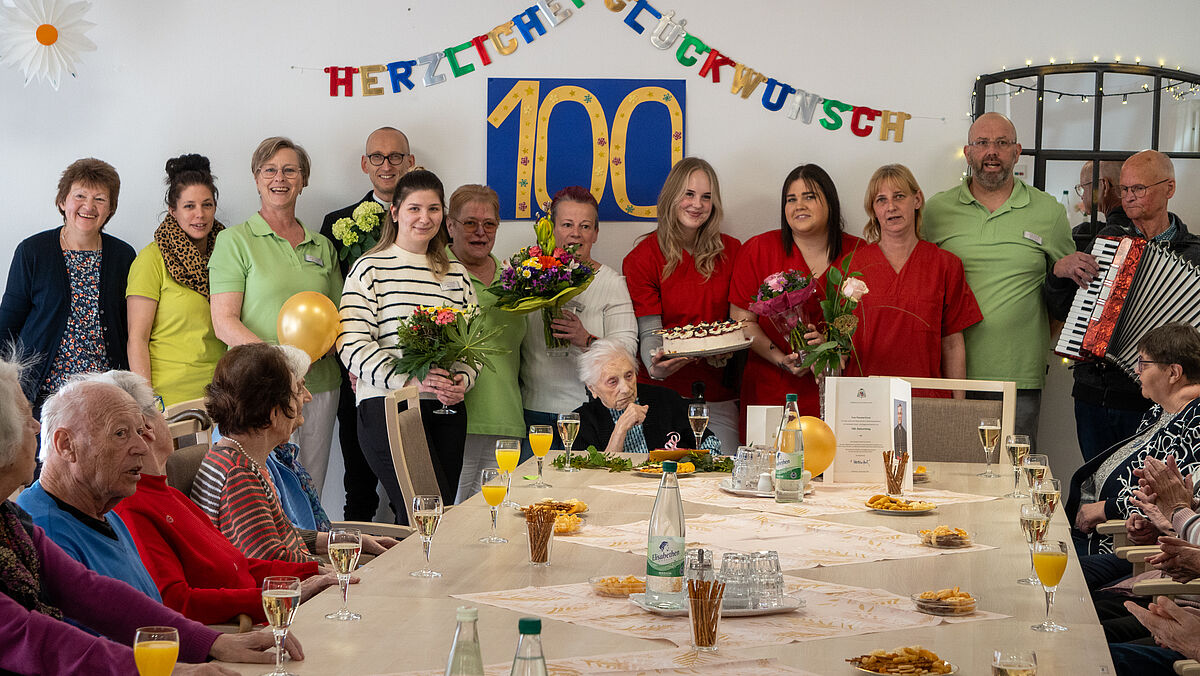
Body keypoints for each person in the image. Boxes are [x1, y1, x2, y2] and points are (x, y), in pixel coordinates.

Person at [0, 357, 306, 676]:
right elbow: (34, 639)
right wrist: (168, 671)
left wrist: (213, 642)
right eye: (24, 416)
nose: (36, 426)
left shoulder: (10, 520)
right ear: (66, 445)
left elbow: (94, 593)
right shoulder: (42, 520)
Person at [94, 370, 343, 625]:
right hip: (249, 627)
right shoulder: (132, 506)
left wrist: (312, 573)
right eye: (159, 409)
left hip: (266, 610)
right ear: (146, 429)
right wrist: (282, 595)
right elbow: (177, 602)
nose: (163, 418)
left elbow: (238, 565)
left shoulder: (168, 494)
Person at [923, 112, 1074, 450]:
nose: (991, 151)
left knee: (1014, 478)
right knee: (950, 476)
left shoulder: (1048, 212)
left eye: (1001, 143)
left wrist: (1030, 333)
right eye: (982, 143)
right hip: (948, 373)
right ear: (967, 152)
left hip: (1018, 376)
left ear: (1017, 151)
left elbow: (1065, 294)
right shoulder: (936, 211)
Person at [208, 137, 342, 497]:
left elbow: (337, 318)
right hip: (257, 387)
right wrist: (281, 364)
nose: (279, 178)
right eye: (270, 170)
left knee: (308, 486)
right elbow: (224, 322)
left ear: (303, 179)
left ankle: (307, 552)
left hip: (319, 387)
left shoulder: (322, 246)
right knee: (260, 490)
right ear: (256, 178)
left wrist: (323, 349)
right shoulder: (235, 241)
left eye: (289, 170)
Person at [1047, 151, 1200, 462]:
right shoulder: (1107, 241)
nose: (1128, 198)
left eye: (1138, 189)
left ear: (1168, 189)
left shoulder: (1193, 253)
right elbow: (1067, 310)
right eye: (1125, 189)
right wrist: (1059, 274)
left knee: (1146, 492)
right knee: (1095, 483)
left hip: (1160, 403)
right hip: (1096, 395)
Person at [338, 170, 478, 512]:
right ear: (395, 212)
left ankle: (421, 568)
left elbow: (471, 345)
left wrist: (463, 380)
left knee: (438, 510)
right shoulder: (369, 268)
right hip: (390, 406)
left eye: (433, 209)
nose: (424, 218)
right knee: (423, 510)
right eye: (414, 208)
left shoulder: (456, 273)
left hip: (446, 406)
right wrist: (411, 378)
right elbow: (351, 344)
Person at [191, 344, 396, 562]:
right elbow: (272, 566)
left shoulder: (242, 456)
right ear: (273, 412)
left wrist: (348, 540)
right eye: (296, 391)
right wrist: (335, 573)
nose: (305, 398)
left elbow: (277, 537)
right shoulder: (239, 475)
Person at [319, 127, 415, 522]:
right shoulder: (337, 222)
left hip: (412, 374)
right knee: (358, 483)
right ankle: (353, 571)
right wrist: (354, 365)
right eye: (377, 157)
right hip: (353, 373)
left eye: (396, 157)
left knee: (409, 484)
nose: (387, 165)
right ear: (365, 164)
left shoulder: (428, 219)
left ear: (409, 162)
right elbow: (330, 298)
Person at [623, 158, 742, 452]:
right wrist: (657, 365)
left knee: (720, 479)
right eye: (689, 194)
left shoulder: (733, 251)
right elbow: (650, 331)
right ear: (671, 196)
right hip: (662, 397)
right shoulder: (642, 258)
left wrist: (728, 348)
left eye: (706, 197)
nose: (697, 204)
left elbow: (741, 323)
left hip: (718, 395)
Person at [0, 158, 135, 417]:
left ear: (110, 209)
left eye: (100, 199)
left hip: (106, 395)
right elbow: (8, 325)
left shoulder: (123, 256)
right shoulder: (32, 251)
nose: (89, 206)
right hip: (42, 398)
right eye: (80, 196)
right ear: (63, 202)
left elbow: (129, 329)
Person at [728, 164, 865, 420]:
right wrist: (781, 359)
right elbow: (742, 321)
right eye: (791, 199)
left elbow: (871, 325)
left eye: (809, 197)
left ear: (830, 202)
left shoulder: (860, 252)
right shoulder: (758, 249)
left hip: (837, 392)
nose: (799, 205)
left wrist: (834, 349)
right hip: (771, 391)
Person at [843, 164, 982, 396]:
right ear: (873, 210)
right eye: (881, 200)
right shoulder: (853, 265)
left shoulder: (946, 265)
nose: (891, 207)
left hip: (926, 399)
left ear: (917, 200)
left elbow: (952, 343)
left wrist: (959, 406)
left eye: (899, 196)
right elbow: (840, 341)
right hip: (865, 401)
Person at [15, 379, 161, 599]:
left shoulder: (102, 510)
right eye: (120, 433)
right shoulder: (45, 533)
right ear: (66, 445)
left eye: (139, 431)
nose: (142, 447)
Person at [1067, 323, 1200, 563]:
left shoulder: (1196, 418)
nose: (1136, 371)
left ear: (1173, 373)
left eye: (1143, 363)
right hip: (1104, 536)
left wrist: (1108, 508)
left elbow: (1176, 495)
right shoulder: (1158, 411)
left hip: (1124, 547)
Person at [519, 187, 638, 448]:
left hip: (588, 414)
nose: (576, 233)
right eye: (567, 224)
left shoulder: (611, 282)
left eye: (585, 226)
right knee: (534, 487)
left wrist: (587, 340)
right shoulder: (527, 277)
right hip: (533, 413)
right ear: (551, 229)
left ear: (595, 233)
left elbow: (627, 351)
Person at [446, 184, 527, 503]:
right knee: (453, 516)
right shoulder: (434, 273)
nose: (480, 232)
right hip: (454, 416)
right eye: (469, 223)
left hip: (507, 418)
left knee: (498, 519)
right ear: (450, 225)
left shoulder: (516, 278)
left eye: (489, 223)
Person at [126, 154, 227, 407]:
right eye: (189, 206)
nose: (200, 215)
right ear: (173, 210)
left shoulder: (229, 255)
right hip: (170, 399)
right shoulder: (152, 260)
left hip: (223, 393)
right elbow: (137, 338)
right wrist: (147, 403)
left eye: (207, 205)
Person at [572, 339, 719, 455]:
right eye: (613, 381)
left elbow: (708, 441)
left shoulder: (665, 399)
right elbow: (593, 478)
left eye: (629, 376)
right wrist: (620, 429)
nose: (625, 388)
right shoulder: (581, 421)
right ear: (592, 388)